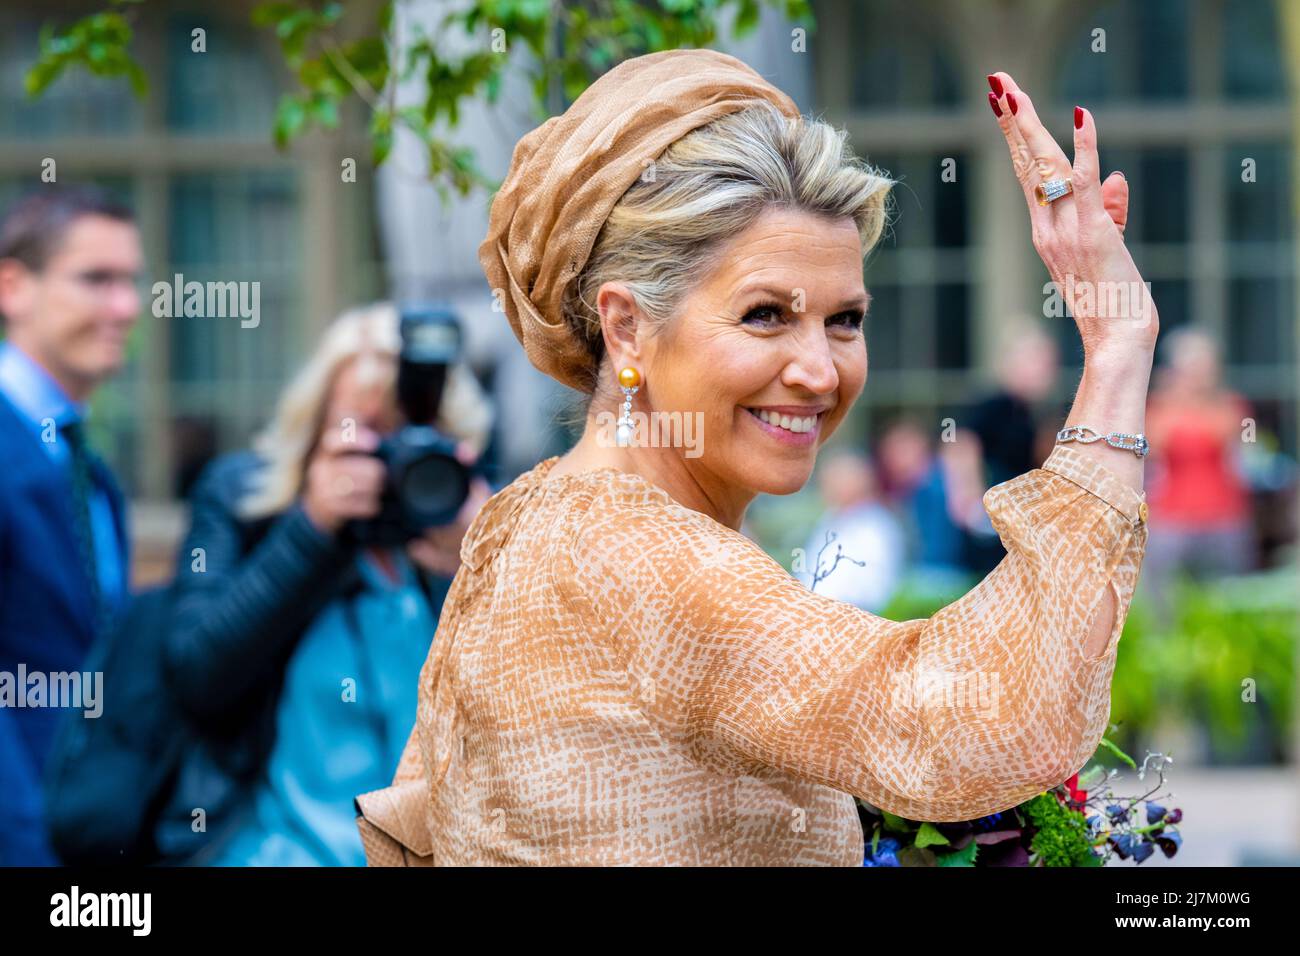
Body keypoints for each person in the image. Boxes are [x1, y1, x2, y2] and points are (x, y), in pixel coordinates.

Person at [355, 54, 1155, 866]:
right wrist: (1118, 349)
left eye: (844, 320)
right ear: (627, 327)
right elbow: (973, 723)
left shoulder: (525, 520)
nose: (819, 369)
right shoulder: (635, 553)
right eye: (766, 315)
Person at [160, 302, 492, 866]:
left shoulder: (478, 527)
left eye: (408, 439)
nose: (390, 466)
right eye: (366, 437)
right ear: (315, 431)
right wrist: (311, 530)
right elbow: (196, 675)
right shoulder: (250, 508)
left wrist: (484, 561)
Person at [0, 188, 139, 865]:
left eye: (131, 283)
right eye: (96, 280)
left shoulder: (84, 462)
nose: (125, 308)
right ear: (11, 286)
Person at [1141, 327, 1254, 622]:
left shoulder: (1230, 404)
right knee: (1164, 606)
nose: (1199, 376)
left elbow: (1235, 437)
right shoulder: (1157, 407)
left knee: (1228, 600)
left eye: (1205, 367)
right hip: (1171, 519)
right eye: (1192, 368)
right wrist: (1177, 401)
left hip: (1223, 516)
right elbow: (1154, 445)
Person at [948, 321, 1062, 576]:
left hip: (1020, 520)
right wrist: (969, 498)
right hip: (995, 524)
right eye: (1037, 362)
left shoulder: (1033, 412)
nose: (1046, 371)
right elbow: (959, 443)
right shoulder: (994, 405)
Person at [798, 450, 904, 613]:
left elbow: (873, 590)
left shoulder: (876, 526)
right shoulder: (831, 517)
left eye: (835, 479)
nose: (827, 486)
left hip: (847, 618)